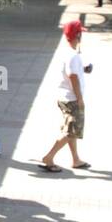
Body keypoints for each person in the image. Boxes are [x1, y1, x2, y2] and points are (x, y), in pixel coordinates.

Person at [39, 19, 91, 172]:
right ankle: (49, 156)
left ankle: (75, 159)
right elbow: (73, 76)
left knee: (71, 129)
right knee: (70, 131)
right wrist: (80, 99)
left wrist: (84, 68)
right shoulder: (73, 56)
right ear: (78, 35)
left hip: (63, 96)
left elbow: (72, 71)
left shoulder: (67, 52)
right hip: (72, 98)